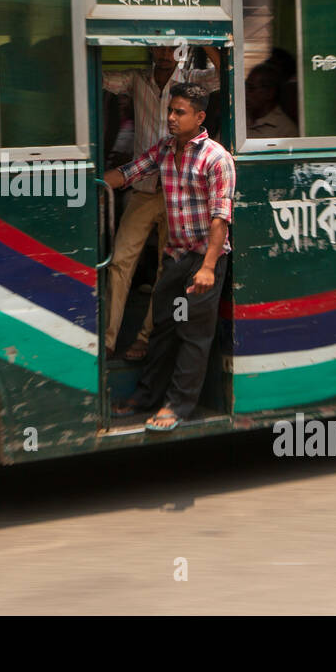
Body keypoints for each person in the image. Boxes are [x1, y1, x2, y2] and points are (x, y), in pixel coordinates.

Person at [103, 82, 235, 432]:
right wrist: (92, 185)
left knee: (193, 334)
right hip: (176, 260)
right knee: (164, 329)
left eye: (180, 112)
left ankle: (178, 407)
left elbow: (220, 219)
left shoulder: (216, 158)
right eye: (170, 111)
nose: (171, 118)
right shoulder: (165, 150)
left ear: (200, 117)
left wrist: (208, 268)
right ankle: (146, 397)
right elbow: (130, 172)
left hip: (203, 262)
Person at [101, 44, 221, 362]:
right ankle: (108, 340)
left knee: (164, 270)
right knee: (119, 263)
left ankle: (145, 337)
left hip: (178, 196)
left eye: (172, 45)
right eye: (160, 45)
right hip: (143, 188)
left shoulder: (192, 79)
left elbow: (225, 74)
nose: (166, 52)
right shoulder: (136, 79)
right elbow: (97, 77)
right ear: (150, 46)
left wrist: (207, 31)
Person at [244, 59, 298, 137]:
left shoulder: (285, 130)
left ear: (269, 93)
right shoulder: (238, 120)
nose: (246, 94)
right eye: (245, 87)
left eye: (251, 88)